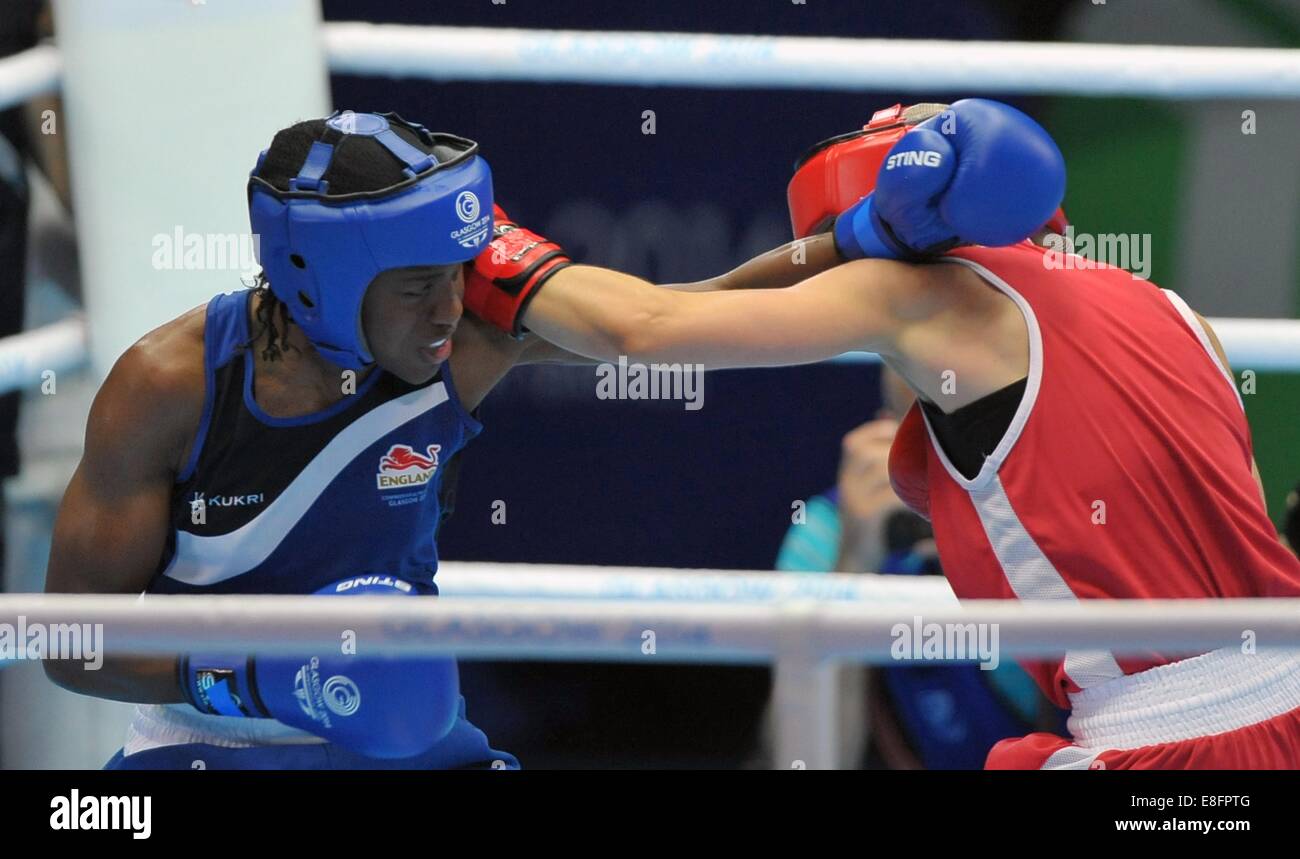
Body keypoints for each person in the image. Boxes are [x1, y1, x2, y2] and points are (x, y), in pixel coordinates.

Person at [467, 99, 1300, 769]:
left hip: (1167, 747)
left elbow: (643, 328)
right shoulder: (1168, 309)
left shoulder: (925, 298)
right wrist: (517, 348)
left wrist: (484, 249)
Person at [42, 111, 847, 769]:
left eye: (459, 274)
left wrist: (856, 243)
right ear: (314, 279)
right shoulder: (169, 387)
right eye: (419, 286)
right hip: (207, 741)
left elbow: (692, 312)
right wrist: (247, 679)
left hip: (411, 738)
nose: (451, 308)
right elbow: (68, 641)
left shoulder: (460, 345)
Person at [774, 367, 1059, 769]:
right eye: (922, 438)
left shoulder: (1064, 519)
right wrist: (855, 563)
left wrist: (983, 552)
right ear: (885, 434)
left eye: (967, 439)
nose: (944, 468)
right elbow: (799, 759)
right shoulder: (828, 528)